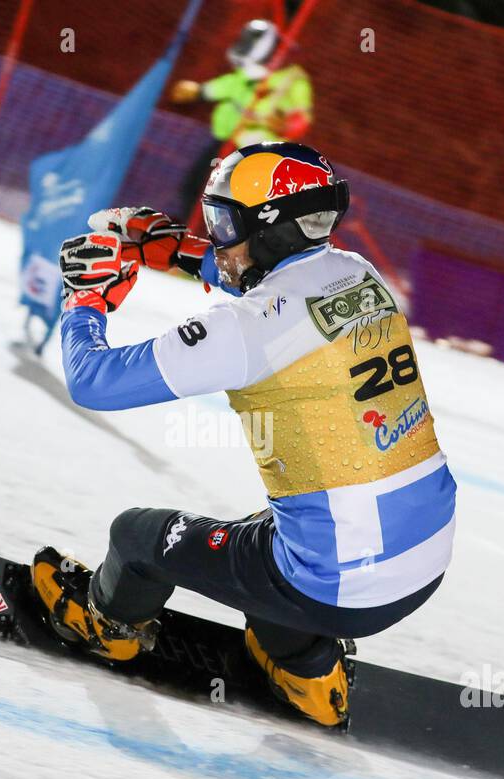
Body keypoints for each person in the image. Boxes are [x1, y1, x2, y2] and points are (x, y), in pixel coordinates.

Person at [32, 142, 457, 727]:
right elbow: (269, 284)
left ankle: (108, 628)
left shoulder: (245, 328)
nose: (216, 236)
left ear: (270, 227)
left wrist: (84, 300)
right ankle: (307, 674)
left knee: (136, 538)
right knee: (274, 534)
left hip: (333, 580)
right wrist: (176, 249)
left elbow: (94, 383)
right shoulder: (357, 274)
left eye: (224, 222)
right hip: (424, 561)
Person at [169, 19, 313, 219]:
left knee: (228, 201)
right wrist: (200, 91)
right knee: (194, 187)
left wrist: (285, 125)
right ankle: (186, 228)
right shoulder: (247, 77)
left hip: (255, 154)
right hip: (225, 143)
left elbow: (300, 121)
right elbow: (230, 85)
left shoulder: (293, 81)